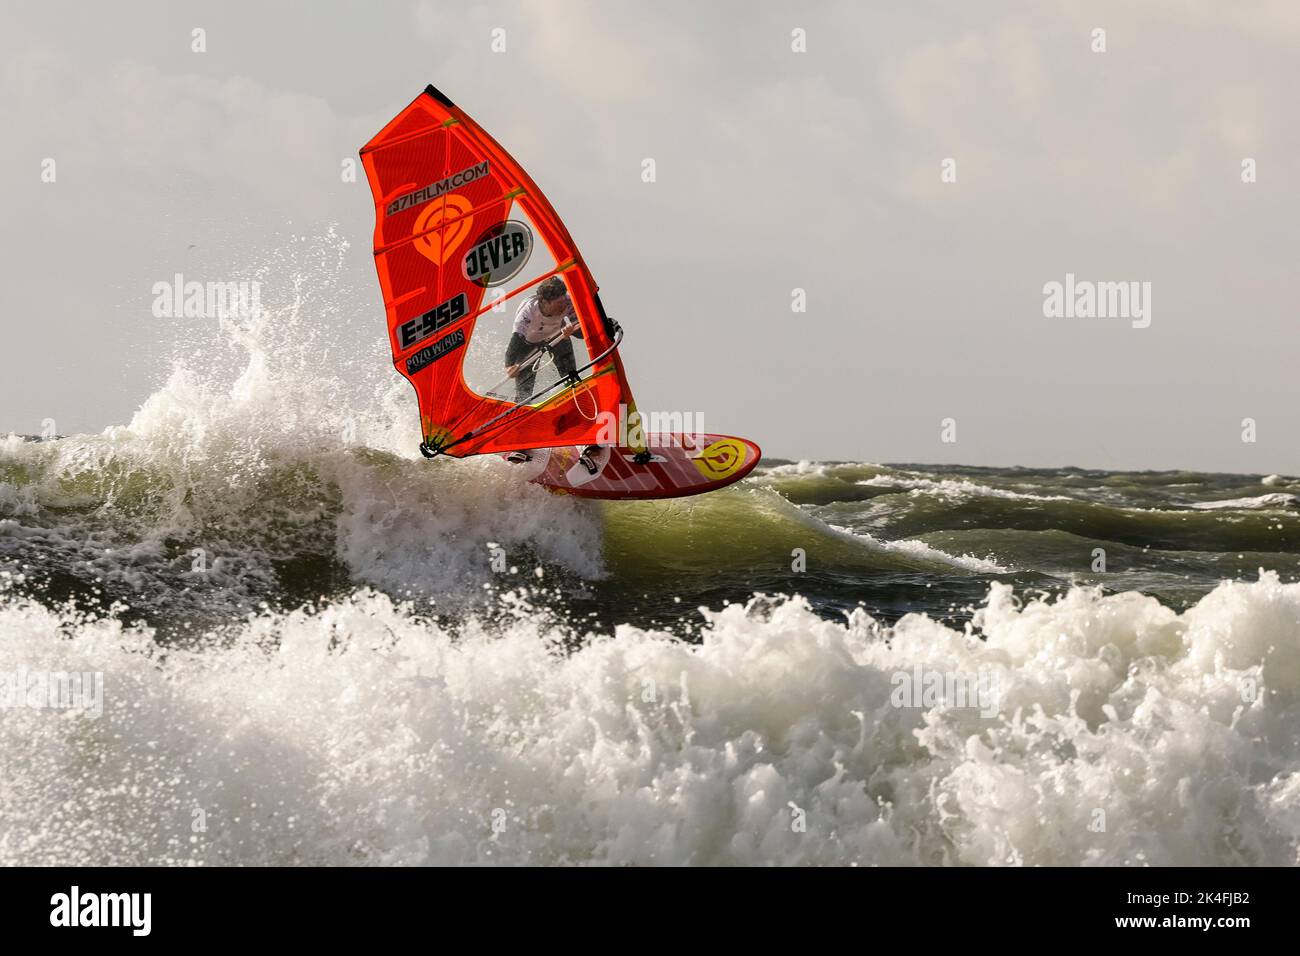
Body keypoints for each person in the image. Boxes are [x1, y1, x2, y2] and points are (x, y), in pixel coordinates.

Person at [503, 277, 601, 473]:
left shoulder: (567, 303)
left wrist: (572, 330)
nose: (564, 304)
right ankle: (519, 444)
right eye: (559, 303)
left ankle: (589, 440)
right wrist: (510, 367)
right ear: (545, 302)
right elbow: (513, 346)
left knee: (573, 384)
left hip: (558, 338)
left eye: (564, 299)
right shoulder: (527, 313)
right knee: (524, 395)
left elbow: (582, 332)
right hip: (527, 345)